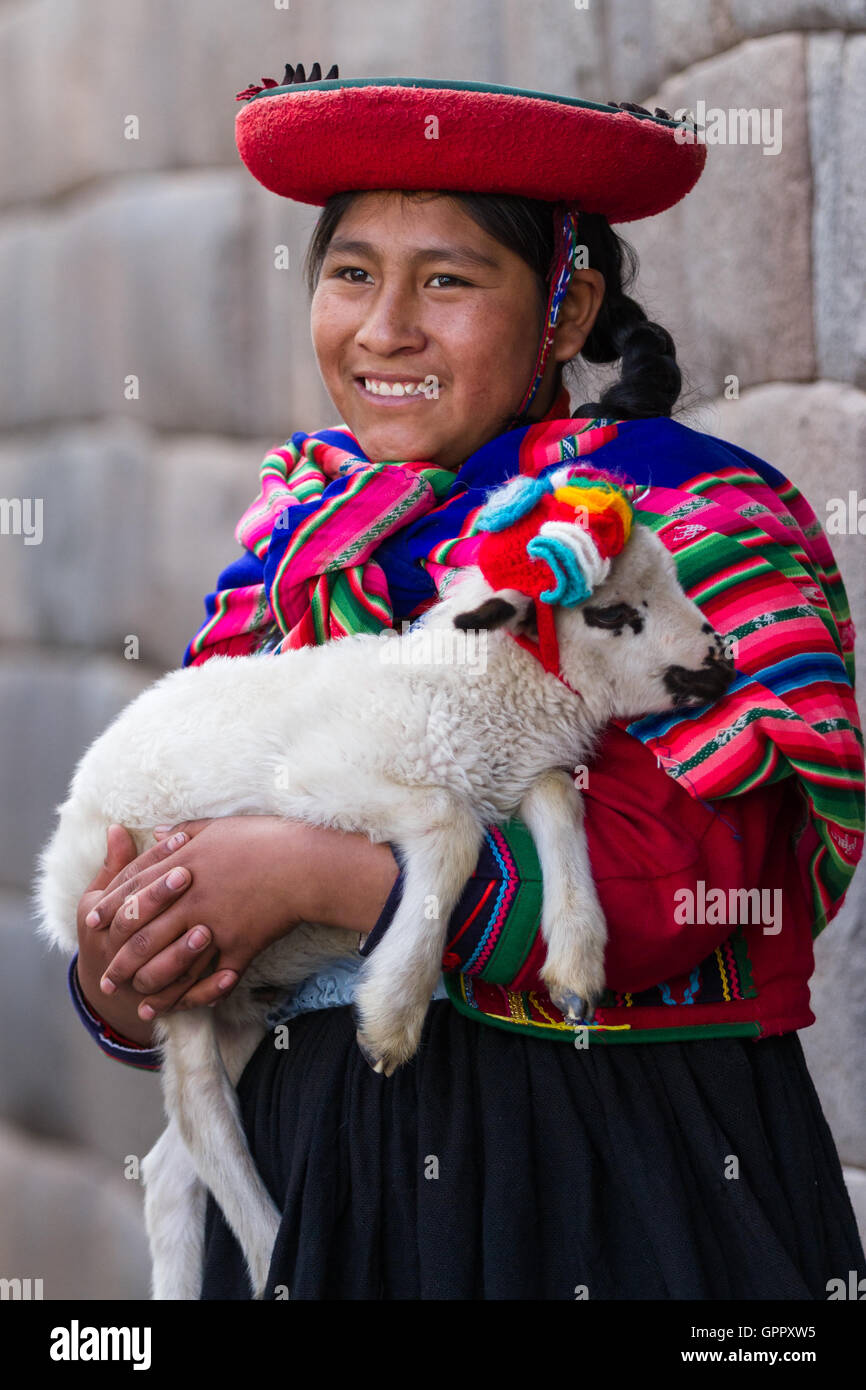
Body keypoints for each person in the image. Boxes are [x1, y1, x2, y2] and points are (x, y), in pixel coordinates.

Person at [69, 71, 866, 1299]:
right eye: (350, 274)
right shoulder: (298, 540)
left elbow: (716, 881)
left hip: (604, 1169)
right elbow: (187, 828)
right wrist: (135, 965)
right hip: (312, 1182)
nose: (384, 327)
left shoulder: (677, 524)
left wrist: (310, 875)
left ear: (565, 309)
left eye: (446, 279)